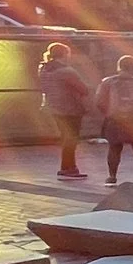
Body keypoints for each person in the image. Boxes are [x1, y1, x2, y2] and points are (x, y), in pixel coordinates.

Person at [35, 42, 93, 178]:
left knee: (65, 137)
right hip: (70, 108)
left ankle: (65, 167)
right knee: (71, 138)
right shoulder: (67, 71)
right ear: (64, 54)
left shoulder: (44, 69)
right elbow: (83, 89)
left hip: (53, 108)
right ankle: (70, 168)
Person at [95, 56, 133, 184]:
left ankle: (112, 176)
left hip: (114, 120)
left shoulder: (107, 82)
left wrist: (108, 113)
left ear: (119, 67)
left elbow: (99, 101)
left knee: (114, 148)